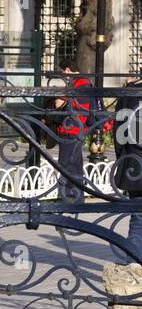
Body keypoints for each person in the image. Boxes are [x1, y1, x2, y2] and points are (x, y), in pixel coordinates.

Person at [50, 66, 101, 205]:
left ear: (67, 70)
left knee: (67, 164)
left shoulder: (77, 84)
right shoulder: (86, 83)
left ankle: (69, 197)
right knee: (75, 163)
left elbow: (58, 103)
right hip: (78, 128)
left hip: (70, 128)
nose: (63, 75)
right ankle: (76, 196)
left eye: (62, 72)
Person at [113, 72, 142, 261]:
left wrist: (123, 160)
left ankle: (133, 264)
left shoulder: (129, 93)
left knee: (138, 218)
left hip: (135, 163)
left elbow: (119, 133)